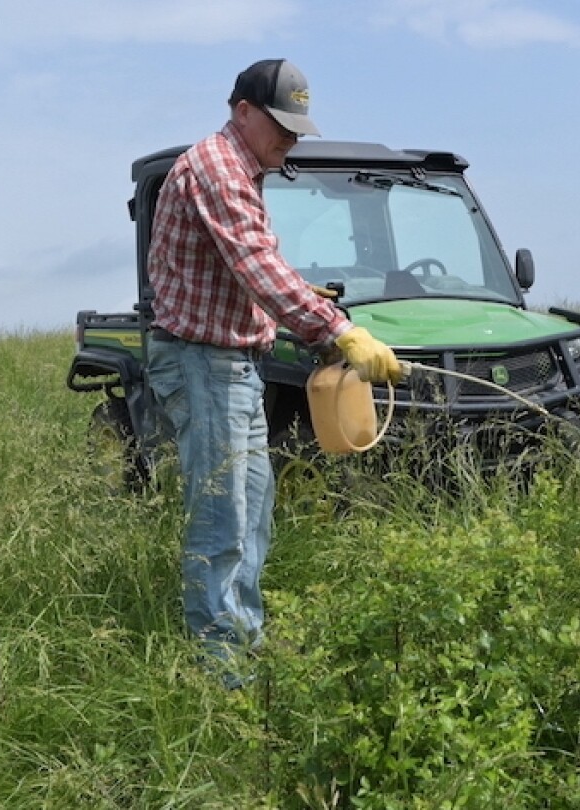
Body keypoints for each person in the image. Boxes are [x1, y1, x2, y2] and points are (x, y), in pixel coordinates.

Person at [145, 58, 401, 685]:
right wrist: (337, 329)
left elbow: (247, 272)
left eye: (297, 127)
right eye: (281, 124)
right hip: (205, 364)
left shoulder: (245, 170)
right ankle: (221, 675)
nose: (290, 138)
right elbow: (257, 265)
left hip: (233, 365)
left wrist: (311, 309)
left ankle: (244, 643)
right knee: (223, 518)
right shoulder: (216, 167)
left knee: (252, 511)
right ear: (243, 112)